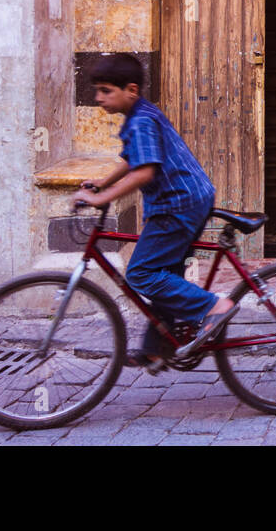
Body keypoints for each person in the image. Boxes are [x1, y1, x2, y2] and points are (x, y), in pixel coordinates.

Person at [74, 54, 232, 369]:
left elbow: (144, 172)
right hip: (183, 200)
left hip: (178, 204)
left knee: (141, 273)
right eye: (98, 91)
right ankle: (156, 348)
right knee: (164, 273)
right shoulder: (139, 115)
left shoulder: (142, 120)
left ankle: (214, 307)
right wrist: (103, 182)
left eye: (106, 91)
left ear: (130, 89)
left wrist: (101, 197)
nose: (98, 98)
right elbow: (131, 159)